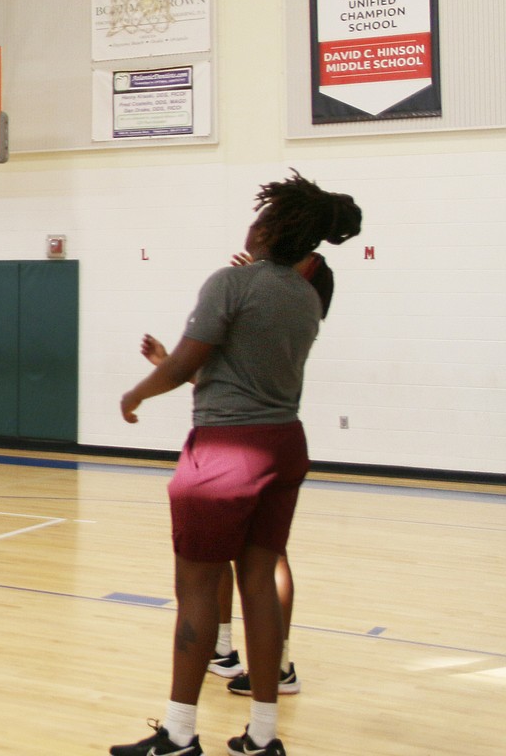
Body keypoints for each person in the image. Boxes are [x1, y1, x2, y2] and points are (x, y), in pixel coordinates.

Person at [112, 172, 361, 756]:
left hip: (224, 452)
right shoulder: (305, 297)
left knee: (197, 587)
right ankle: (263, 736)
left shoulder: (231, 283)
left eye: (260, 215)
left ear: (271, 227)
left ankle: (176, 735)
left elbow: (183, 370)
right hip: (283, 444)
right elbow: (234, 372)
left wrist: (137, 394)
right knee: (260, 583)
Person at [142, 253, 333, 702]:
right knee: (231, 560)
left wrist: (260, 279)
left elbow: (233, 379)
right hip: (268, 438)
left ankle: (277, 664)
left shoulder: (296, 293)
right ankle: (226, 650)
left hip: (245, 445)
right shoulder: (281, 302)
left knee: (262, 565)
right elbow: (224, 379)